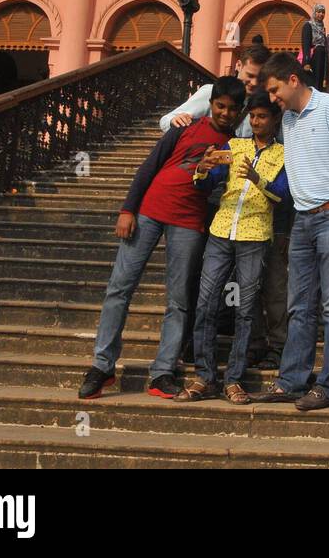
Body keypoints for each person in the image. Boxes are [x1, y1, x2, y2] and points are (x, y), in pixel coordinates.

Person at [78, 76, 246, 401]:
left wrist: (208, 172)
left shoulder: (234, 147)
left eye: (232, 109)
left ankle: (163, 372)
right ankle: (102, 366)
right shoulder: (184, 128)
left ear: (240, 111)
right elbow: (149, 166)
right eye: (220, 106)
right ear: (211, 104)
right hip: (149, 210)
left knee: (179, 300)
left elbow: (213, 190)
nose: (225, 113)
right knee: (119, 288)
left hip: (189, 221)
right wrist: (128, 209)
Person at [251, 53, 329, 411]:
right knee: (299, 305)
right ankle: (291, 380)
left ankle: (328, 387)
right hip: (302, 220)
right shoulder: (287, 121)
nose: (272, 99)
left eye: (274, 90)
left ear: (293, 80)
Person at [177, 91, 290, 404]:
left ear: (275, 120)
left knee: (246, 310)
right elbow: (209, 182)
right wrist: (203, 168)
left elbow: (283, 196)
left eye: (262, 116)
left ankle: (234, 379)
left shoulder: (282, 154)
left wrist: (258, 179)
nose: (255, 122)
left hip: (254, 235)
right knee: (206, 304)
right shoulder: (234, 145)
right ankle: (204, 376)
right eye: (252, 116)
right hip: (221, 230)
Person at [160, 44, 270, 137]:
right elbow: (166, 120)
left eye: (260, 78)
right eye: (250, 75)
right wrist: (176, 121)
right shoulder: (211, 91)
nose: (254, 82)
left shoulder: (266, 103)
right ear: (238, 66)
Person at [300, 4, 329, 92]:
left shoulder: (322, 28)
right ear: (314, 13)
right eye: (318, 12)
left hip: (322, 57)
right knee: (313, 83)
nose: (321, 14)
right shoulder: (308, 25)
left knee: (321, 83)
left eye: (323, 12)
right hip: (313, 58)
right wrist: (306, 62)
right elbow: (306, 45)